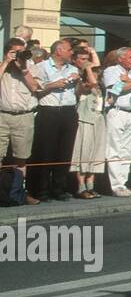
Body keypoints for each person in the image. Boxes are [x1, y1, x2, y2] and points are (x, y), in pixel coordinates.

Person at [30, 38, 81, 202]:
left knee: (65, 151)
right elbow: (35, 89)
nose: (71, 52)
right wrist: (53, 84)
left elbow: (78, 93)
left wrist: (78, 81)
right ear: (58, 50)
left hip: (68, 111)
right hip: (49, 111)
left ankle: (59, 188)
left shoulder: (72, 68)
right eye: (68, 50)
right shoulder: (41, 67)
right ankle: (42, 189)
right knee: (46, 151)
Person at [0, 38, 43, 206]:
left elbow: (36, 88)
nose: (19, 55)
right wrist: (5, 62)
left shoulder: (31, 67)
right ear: (8, 52)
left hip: (24, 116)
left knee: (21, 157)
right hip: (2, 115)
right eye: (16, 52)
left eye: (22, 51)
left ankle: (18, 193)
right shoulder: (3, 66)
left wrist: (24, 69)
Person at [101, 47, 131, 197]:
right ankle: (115, 185)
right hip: (117, 111)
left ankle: (123, 182)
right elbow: (116, 89)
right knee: (115, 148)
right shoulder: (112, 71)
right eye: (130, 57)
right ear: (120, 58)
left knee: (127, 149)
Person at [69, 47, 105, 199]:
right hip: (84, 122)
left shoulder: (98, 88)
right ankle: (81, 187)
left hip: (97, 121)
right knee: (82, 153)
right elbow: (91, 83)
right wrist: (88, 69)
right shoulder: (82, 85)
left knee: (96, 153)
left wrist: (93, 53)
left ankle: (91, 186)